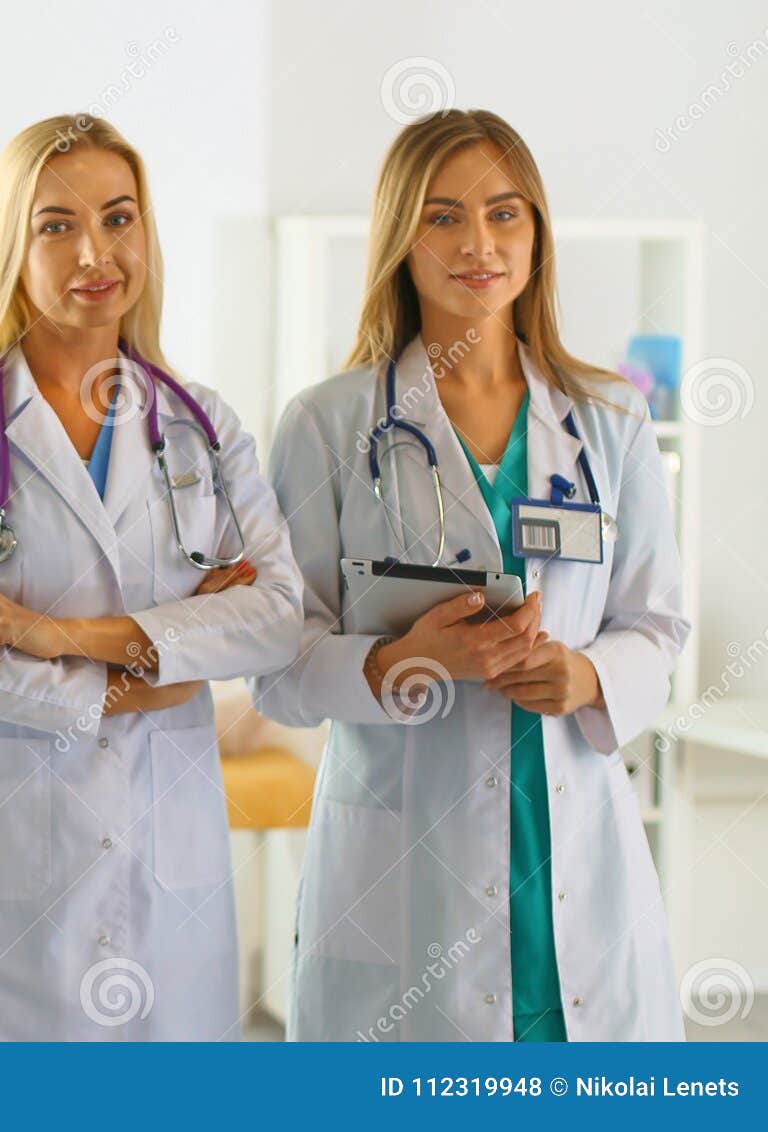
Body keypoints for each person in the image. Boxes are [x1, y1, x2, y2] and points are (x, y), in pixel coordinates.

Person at [252, 109, 689, 1041]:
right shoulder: (328, 425)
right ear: (400, 239)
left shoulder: (608, 419)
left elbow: (658, 624)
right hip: (406, 879)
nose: (478, 244)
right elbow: (279, 665)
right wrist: (405, 660)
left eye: (504, 213)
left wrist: (591, 675)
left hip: (573, 855)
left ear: (537, 231)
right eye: (442, 217)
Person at [0, 114, 304, 1040]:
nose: (94, 252)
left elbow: (274, 616)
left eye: (118, 218)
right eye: (56, 225)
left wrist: (54, 637)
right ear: (12, 247)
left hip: (162, 866)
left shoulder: (204, 426)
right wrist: (145, 674)